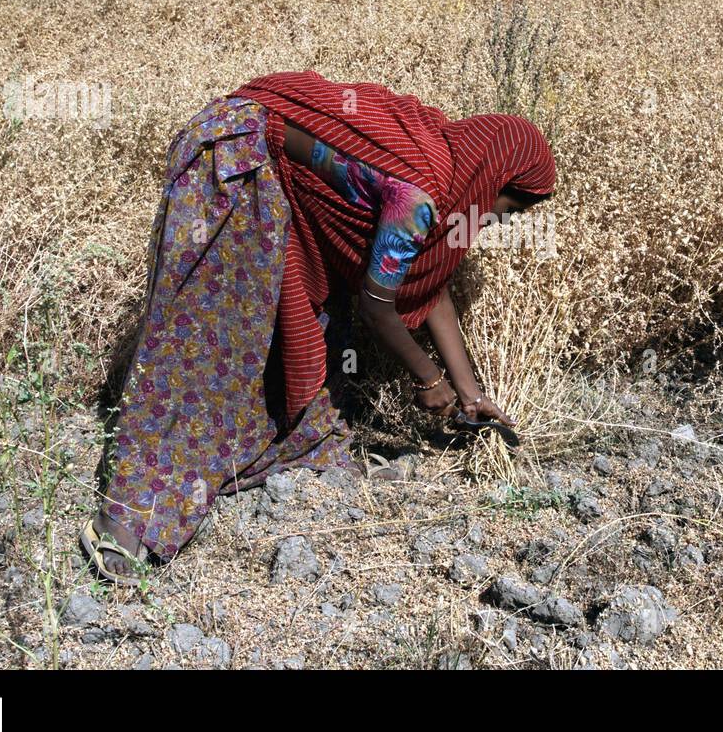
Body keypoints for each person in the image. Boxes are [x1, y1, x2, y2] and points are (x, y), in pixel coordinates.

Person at [81, 71, 556, 585]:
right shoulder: (420, 196)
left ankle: (291, 452)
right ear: (495, 176)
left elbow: (430, 285)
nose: (498, 222)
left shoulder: (447, 176)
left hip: (275, 174)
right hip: (233, 164)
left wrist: (469, 393)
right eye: (507, 209)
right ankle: (127, 520)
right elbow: (379, 305)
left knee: (309, 330)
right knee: (208, 347)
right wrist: (428, 380)